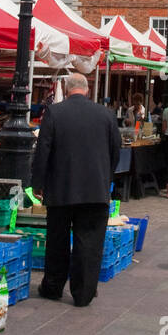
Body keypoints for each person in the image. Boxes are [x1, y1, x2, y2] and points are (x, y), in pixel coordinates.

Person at [30, 72, 121, 307]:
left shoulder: (55, 112)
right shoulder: (106, 114)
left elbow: (43, 149)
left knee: (57, 240)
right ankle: (84, 292)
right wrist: (106, 177)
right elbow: (115, 151)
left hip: (61, 187)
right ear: (87, 90)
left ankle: (53, 286)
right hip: (95, 189)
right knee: (89, 241)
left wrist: (38, 184)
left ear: (67, 88)